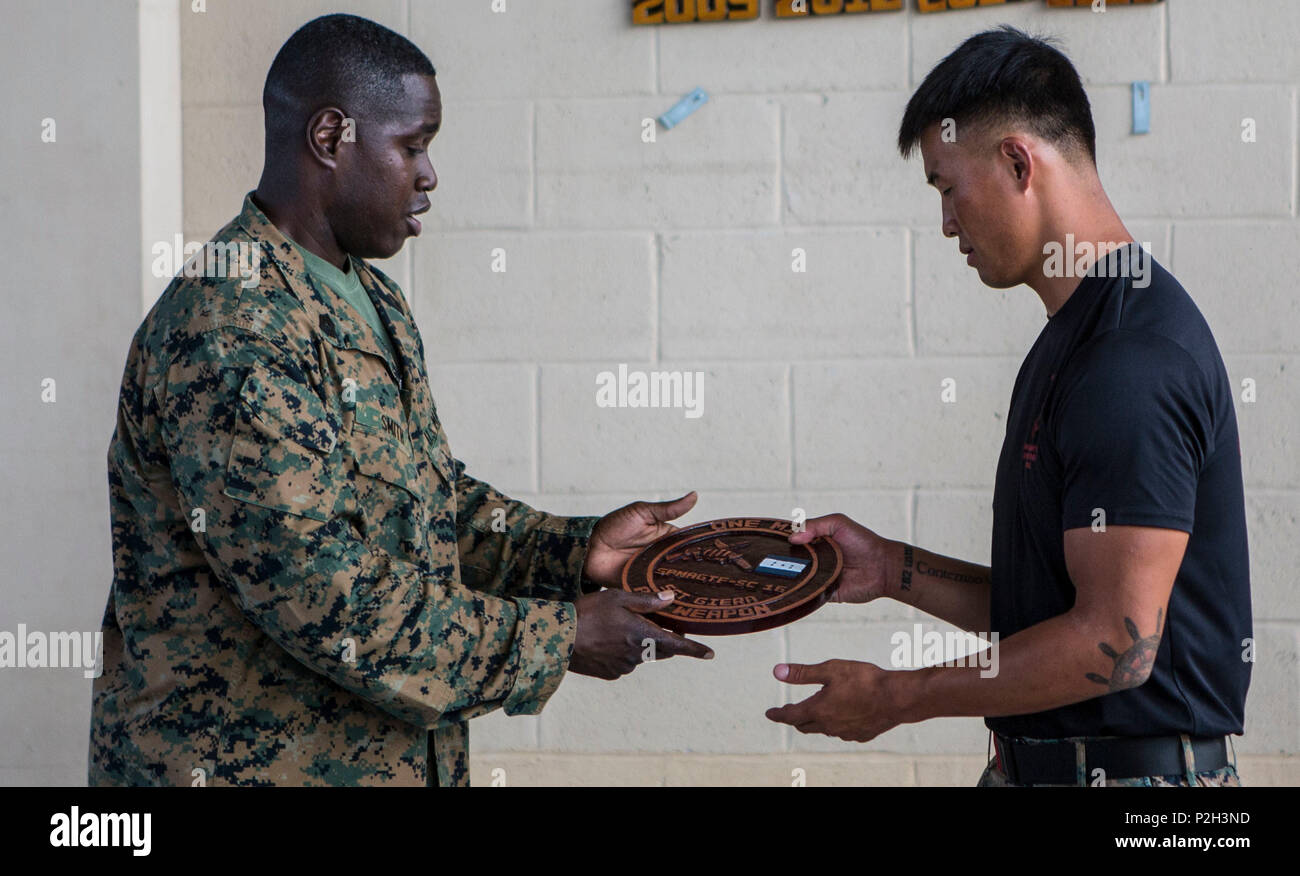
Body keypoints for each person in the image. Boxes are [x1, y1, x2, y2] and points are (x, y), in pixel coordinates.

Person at [90, 13, 712, 788]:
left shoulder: (369, 297)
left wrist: (574, 551)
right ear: (330, 138)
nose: (429, 175)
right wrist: (555, 639)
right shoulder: (232, 327)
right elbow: (322, 592)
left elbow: (425, 505)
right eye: (413, 145)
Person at [765, 26, 1250, 787]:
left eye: (947, 189)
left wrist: (897, 696)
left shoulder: (1130, 360)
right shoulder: (1072, 341)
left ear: (1018, 162)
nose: (947, 224)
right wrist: (892, 568)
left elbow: (1108, 646)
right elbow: (1050, 613)